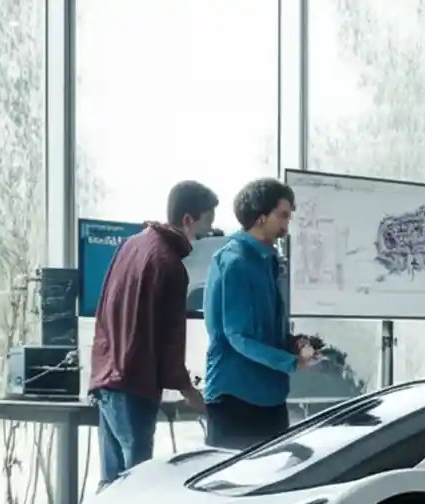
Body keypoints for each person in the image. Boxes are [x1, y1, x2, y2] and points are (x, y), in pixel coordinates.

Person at [89, 181, 217, 487]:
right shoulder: (169, 264)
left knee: (111, 485)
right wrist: (190, 392)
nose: (205, 239)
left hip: (108, 379)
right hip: (135, 383)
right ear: (188, 220)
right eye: (204, 230)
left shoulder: (131, 244)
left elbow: (104, 310)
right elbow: (170, 340)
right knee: (136, 486)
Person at [203, 177, 320, 449]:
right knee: (235, 486)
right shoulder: (235, 262)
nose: (286, 225)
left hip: (270, 396)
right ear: (260, 217)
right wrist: (291, 362)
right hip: (237, 398)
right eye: (282, 216)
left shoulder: (267, 260)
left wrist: (294, 344)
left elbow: (264, 327)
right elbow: (238, 335)